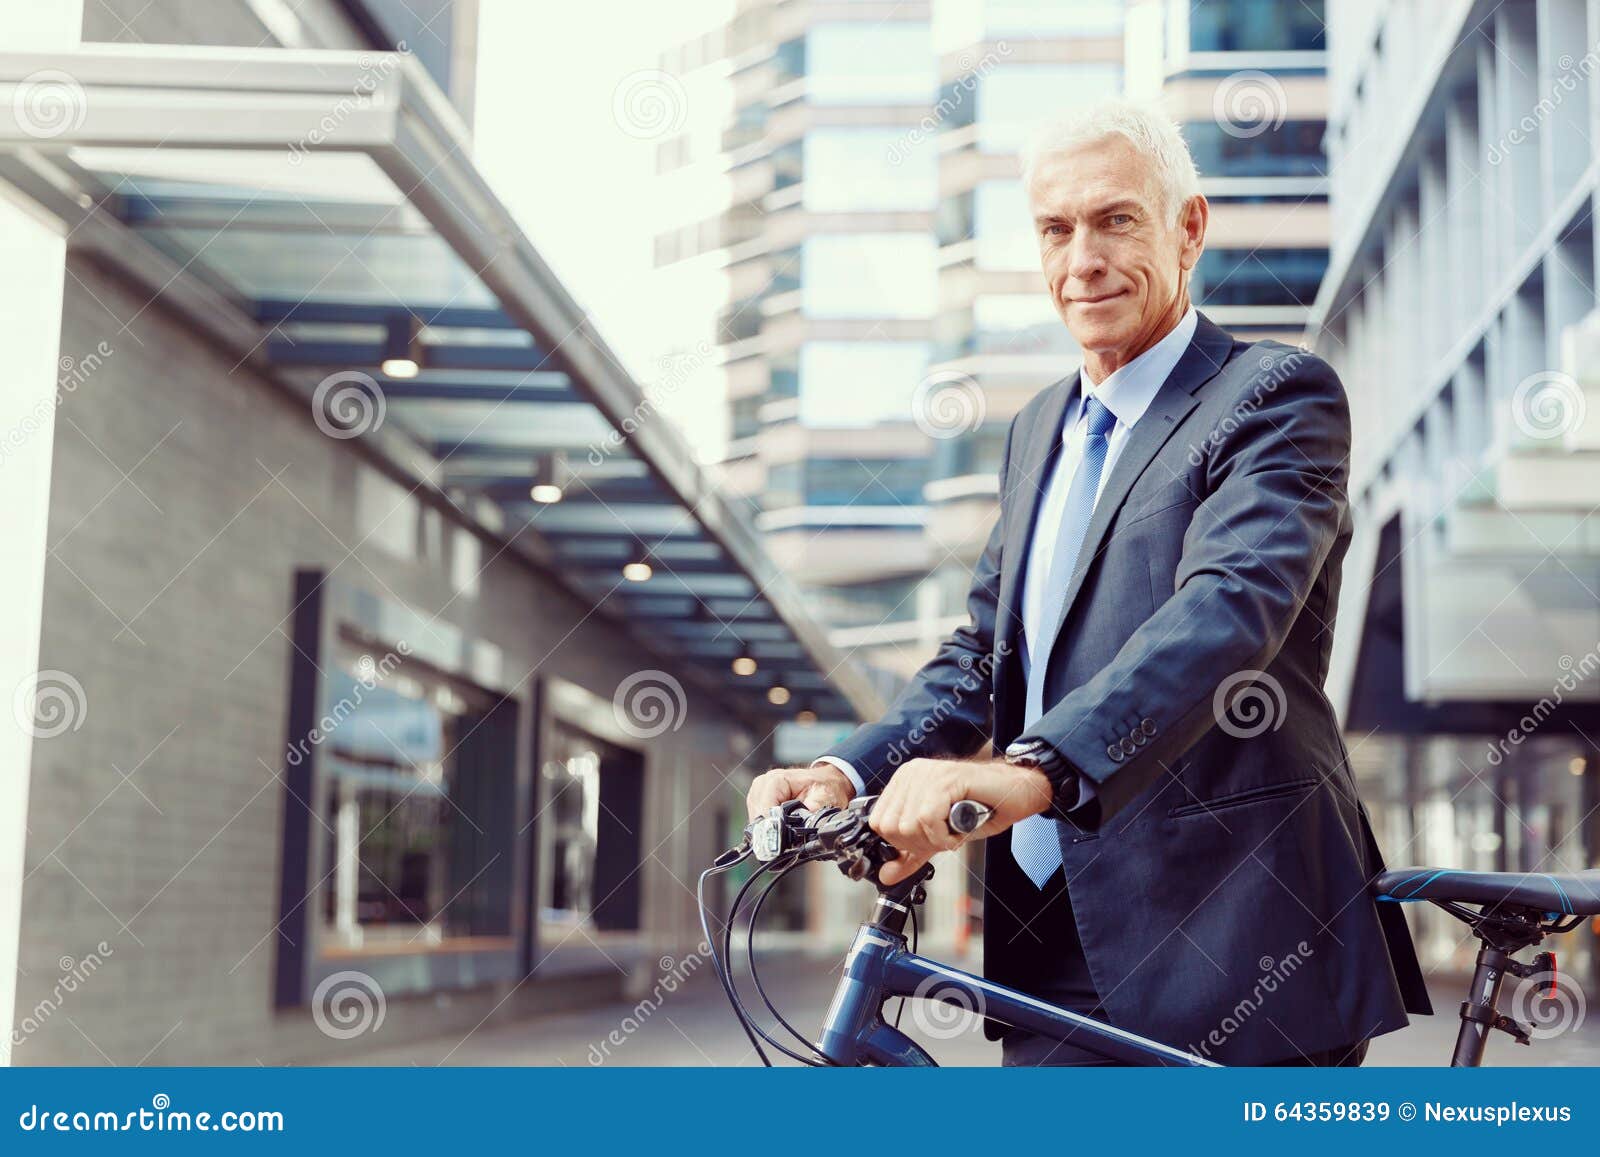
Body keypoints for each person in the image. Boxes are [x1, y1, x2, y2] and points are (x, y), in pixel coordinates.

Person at [746, 99, 1431, 1066]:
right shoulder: (1037, 430)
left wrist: (1029, 772)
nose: (1084, 260)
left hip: (1230, 935)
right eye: (1056, 230)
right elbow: (983, 652)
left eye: (1116, 220)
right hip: (1048, 938)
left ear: (1187, 229)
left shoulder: (1275, 395)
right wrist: (847, 771)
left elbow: (1226, 613)